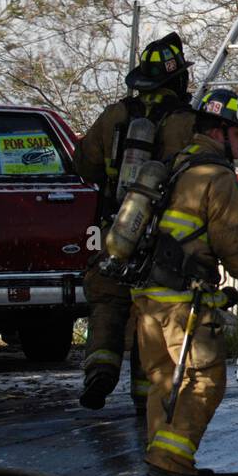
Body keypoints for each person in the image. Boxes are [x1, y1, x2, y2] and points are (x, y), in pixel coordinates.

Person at [133, 88, 238, 476]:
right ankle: (172, 460)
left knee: (163, 380)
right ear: (220, 131)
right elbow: (237, 250)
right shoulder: (217, 178)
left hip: (148, 299)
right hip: (186, 300)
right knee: (205, 380)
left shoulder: (174, 165)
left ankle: (160, 458)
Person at [74, 32, 198, 412]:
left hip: (118, 225)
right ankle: (146, 397)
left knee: (108, 301)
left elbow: (83, 164)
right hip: (164, 235)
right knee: (151, 308)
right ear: (178, 80)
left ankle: (100, 367)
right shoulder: (186, 122)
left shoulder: (116, 114)